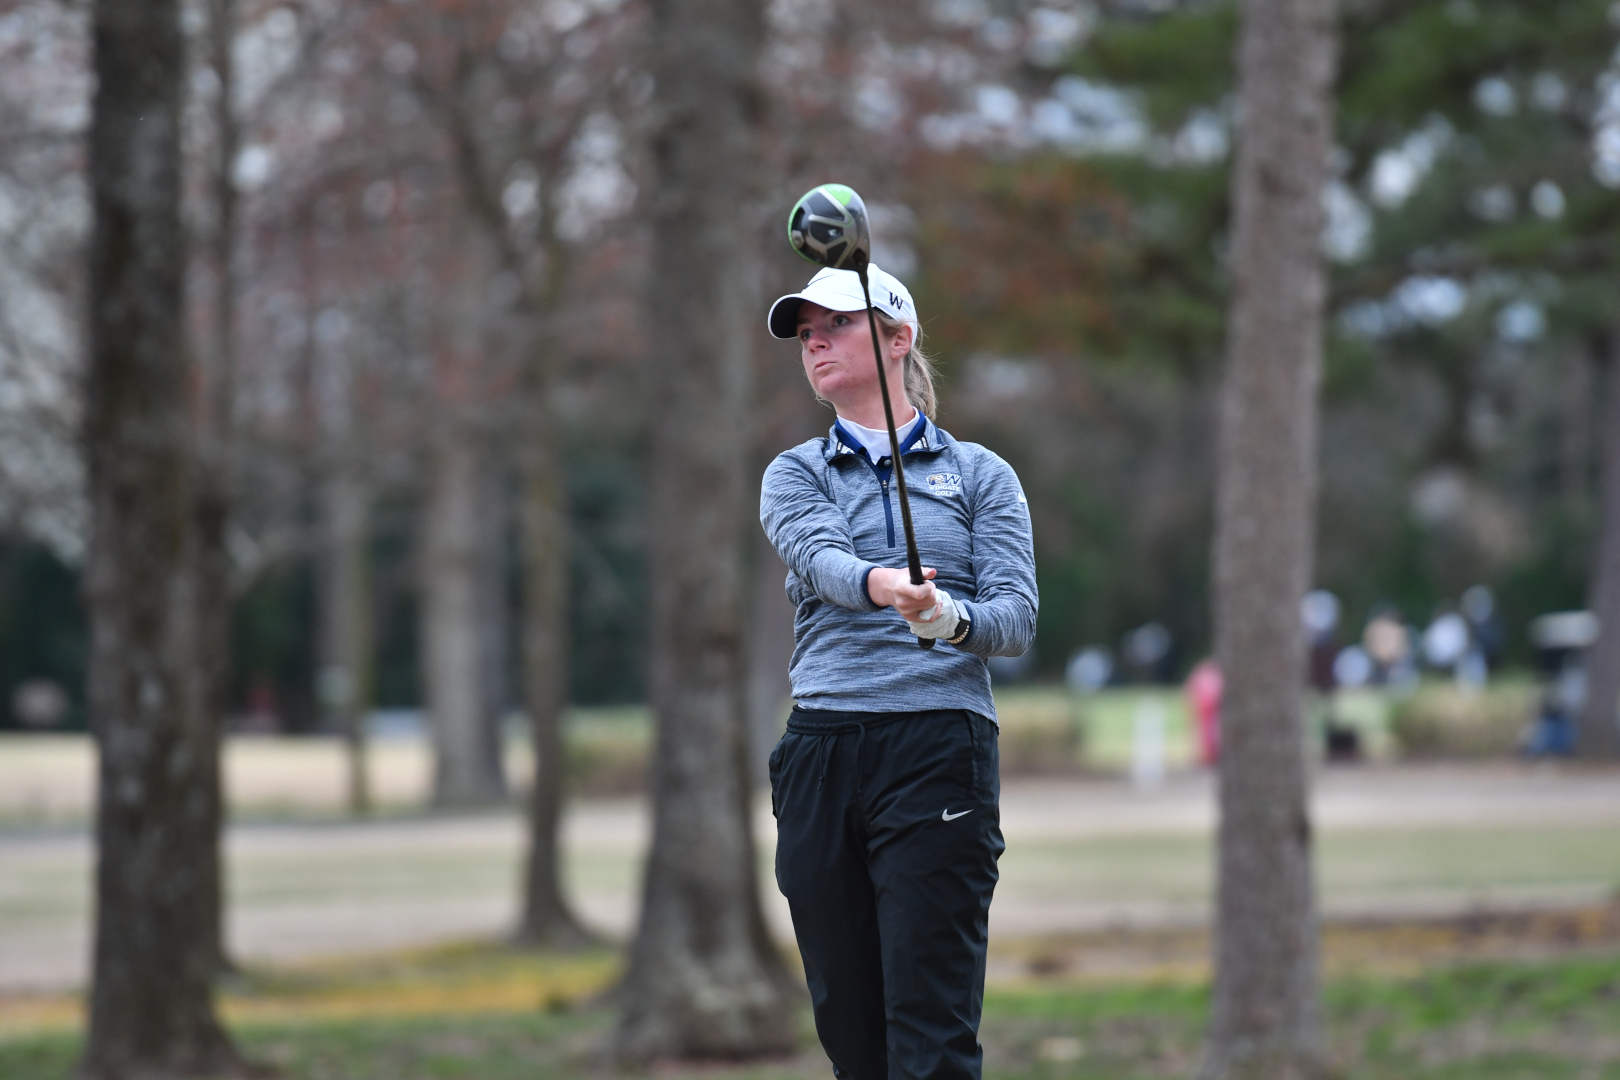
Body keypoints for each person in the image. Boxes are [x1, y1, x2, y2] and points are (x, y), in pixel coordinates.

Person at [759, 262, 1038, 1080]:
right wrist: (890, 587)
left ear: (898, 337)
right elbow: (822, 561)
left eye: (835, 325)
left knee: (932, 1025)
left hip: (936, 747)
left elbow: (1014, 621)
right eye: (805, 334)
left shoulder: (982, 476)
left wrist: (951, 621)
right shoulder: (795, 473)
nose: (815, 344)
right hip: (822, 750)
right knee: (853, 1033)